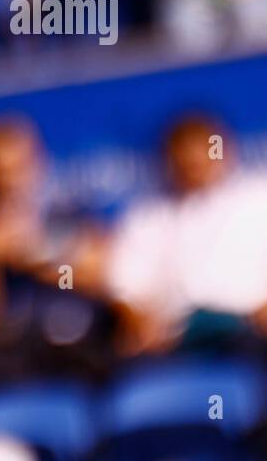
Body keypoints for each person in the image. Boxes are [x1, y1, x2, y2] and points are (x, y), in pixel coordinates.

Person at [0, 114, 112, 380]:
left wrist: (31, 255)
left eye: (17, 168)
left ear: (39, 163)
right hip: (12, 368)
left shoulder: (71, 215)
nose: (7, 182)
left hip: (83, 355)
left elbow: (104, 276)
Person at [107, 114, 267, 355]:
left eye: (201, 155)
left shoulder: (258, 196)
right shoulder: (147, 214)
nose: (194, 166)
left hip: (250, 332)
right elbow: (126, 288)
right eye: (185, 159)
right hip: (177, 342)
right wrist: (140, 322)